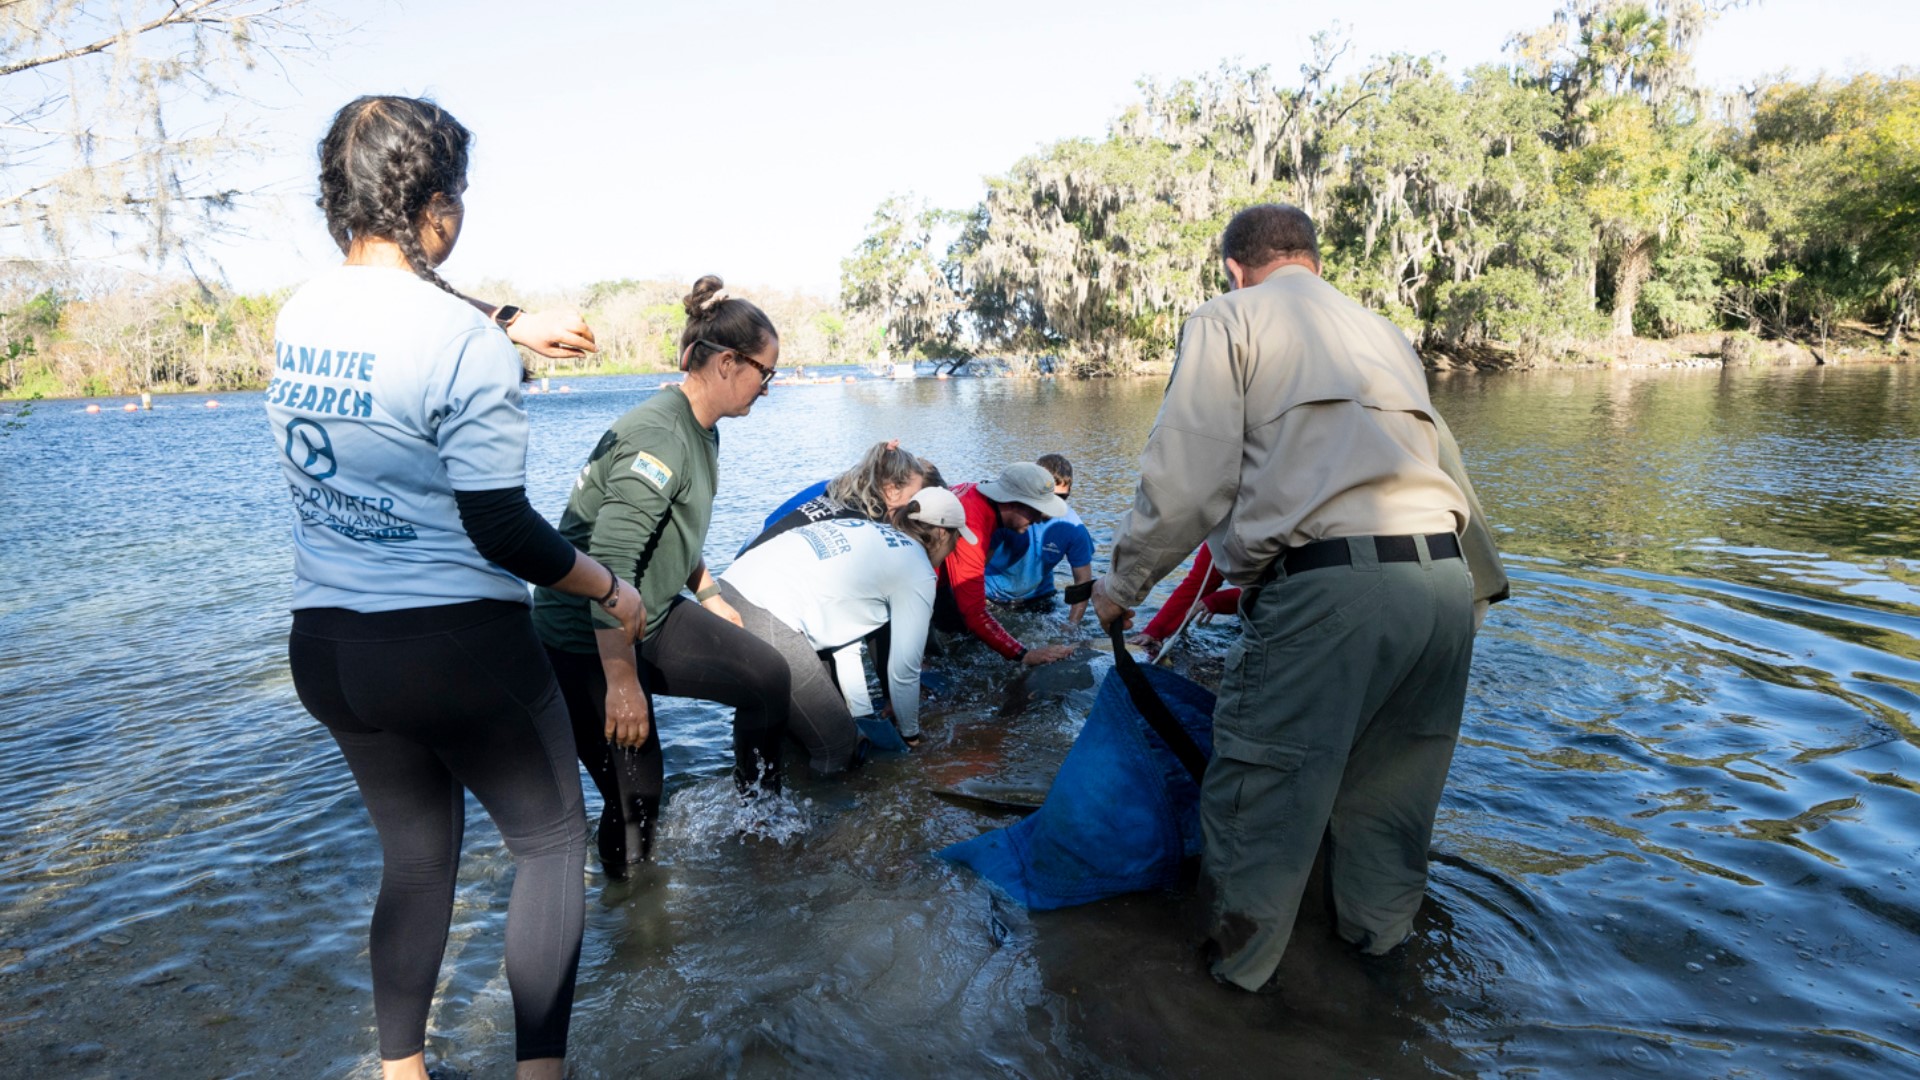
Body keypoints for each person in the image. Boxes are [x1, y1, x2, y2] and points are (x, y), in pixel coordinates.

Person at [274, 96, 638, 1080]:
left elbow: (394, 305)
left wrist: (509, 315)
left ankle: (401, 1071)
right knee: (552, 843)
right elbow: (503, 529)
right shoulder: (468, 346)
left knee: (417, 859)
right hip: (453, 645)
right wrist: (607, 587)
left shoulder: (300, 311)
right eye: (459, 196)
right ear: (436, 207)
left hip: (328, 652)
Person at [1092, 202, 1507, 993]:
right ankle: (1384, 978)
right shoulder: (1383, 332)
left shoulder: (1229, 317)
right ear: (1312, 259)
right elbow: (1446, 460)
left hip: (1330, 589)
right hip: (1444, 587)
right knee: (1391, 804)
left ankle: (1228, 992)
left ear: (1234, 267)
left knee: (1260, 802)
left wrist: (1123, 586)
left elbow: (1189, 475)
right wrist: (1477, 593)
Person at [533, 276, 790, 881]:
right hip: (584, 636)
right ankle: (631, 925)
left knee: (767, 678)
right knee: (637, 803)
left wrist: (707, 591)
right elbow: (610, 564)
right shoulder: (661, 435)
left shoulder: (702, 428)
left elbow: (677, 524)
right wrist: (622, 683)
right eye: (766, 372)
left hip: (649, 611)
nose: (769, 387)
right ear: (728, 363)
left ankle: (760, 822)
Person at [721, 487, 970, 753]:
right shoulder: (918, 571)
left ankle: (761, 790)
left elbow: (844, 638)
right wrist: (911, 737)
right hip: (762, 611)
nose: (955, 548)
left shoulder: (871, 532)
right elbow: (905, 671)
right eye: (957, 539)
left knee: (823, 733)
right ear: (943, 534)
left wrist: (863, 715)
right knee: (838, 744)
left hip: (724, 591)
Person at [937, 462, 1077, 667]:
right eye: (1036, 511)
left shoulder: (977, 492)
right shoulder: (973, 529)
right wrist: (1024, 654)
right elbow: (974, 612)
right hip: (909, 590)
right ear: (1011, 502)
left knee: (965, 640)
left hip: (933, 584)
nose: (1040, 519)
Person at [741, 439, 930, 555]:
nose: (913, 504)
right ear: (891, 490)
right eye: (913, 496)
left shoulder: (838, 494)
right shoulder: (866, 524)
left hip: (745, 565)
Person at [984, 453, 1095, 624]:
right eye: (1049, 496)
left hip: (1040, 600)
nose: (1054, 504)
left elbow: (1083, 581)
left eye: (1062, 497)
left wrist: (1072, 626)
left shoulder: (1074, 528)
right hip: (992, 598)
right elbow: (976, 565)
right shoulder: (1008, 516)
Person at [1127, 544, 1242, 659]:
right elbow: (1198, 584)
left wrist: (1225, 599)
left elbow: (1260, 593)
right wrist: (1155, 631)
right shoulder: (1220, 532)